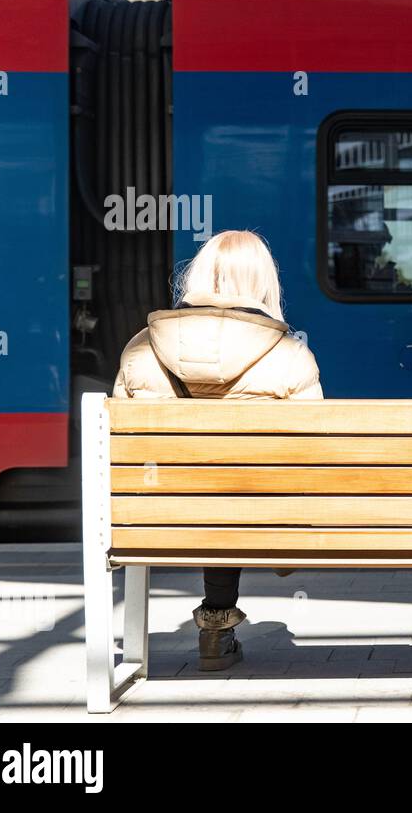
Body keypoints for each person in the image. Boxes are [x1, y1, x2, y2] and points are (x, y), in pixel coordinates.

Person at [112, 230, 323, 669]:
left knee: (211, 487)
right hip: (252, 511)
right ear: (265, 283)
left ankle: (215, 624)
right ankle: (221, 617)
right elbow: (313, 451)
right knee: (235, 488)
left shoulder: (140, 348)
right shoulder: (290, 354)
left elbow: (123, 444)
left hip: (156, 515)